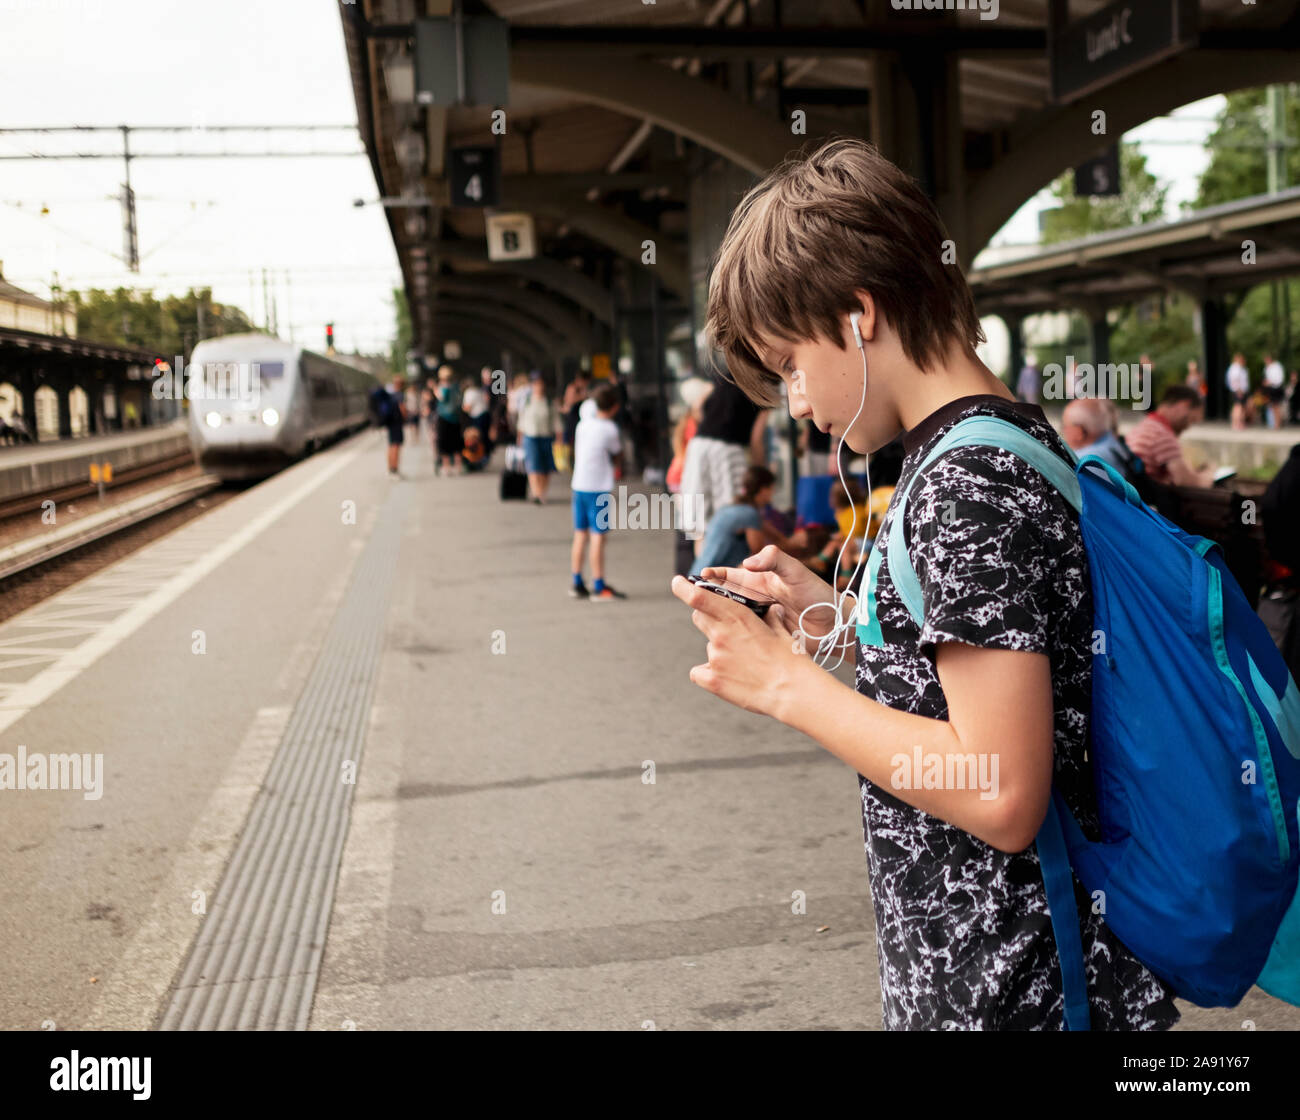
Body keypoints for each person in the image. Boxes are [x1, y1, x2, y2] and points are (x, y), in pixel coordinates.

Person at [671, 137, 1179, 1031]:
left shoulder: (965, 484)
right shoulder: (1002, 441)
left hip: (1016, 993)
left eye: (790, 364)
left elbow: (1002, 790)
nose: (794, 402)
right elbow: (984, 690)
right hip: (1012, 977)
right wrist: (835, 623)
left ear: (858, 314)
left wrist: (788, 686)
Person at [679, 375, 769, 556]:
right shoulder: (764, 386)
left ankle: (702, 576)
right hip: (729, 449)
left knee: (700, 523)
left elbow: (699, 405)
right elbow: (756, 438)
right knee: (732, 515)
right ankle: (727, 576)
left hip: (699, 445)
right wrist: (759, 470)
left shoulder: (727, 376)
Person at [688, 466, 801, 578]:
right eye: (772, 488)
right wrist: (805, 561)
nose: (773, 492)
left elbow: (772, 534)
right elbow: (759, 556)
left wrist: (790, 543)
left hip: (698, 573)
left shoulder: (731, 508)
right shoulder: (750, 514)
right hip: (712, 579)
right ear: (763, 490)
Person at [569, 383, 626, 601]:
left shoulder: (583, 425)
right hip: (598, 489)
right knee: (598, 538)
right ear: (614, 407)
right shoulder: (609, 429)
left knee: (580, 535)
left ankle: (576, 582)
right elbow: (616, 453)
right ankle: (599, 585)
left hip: (579, 485)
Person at [1125, 384, 1217, 487]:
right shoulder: (1162, 434)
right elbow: (1185, 481)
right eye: (1191, 420)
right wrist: (1209, 476)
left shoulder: (1145, 426)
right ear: (1184, 405)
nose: (1187, 427)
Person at [1061, 398, 1139, 481]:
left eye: (1065, 426)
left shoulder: (1082, 462)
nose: (1063, 431)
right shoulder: (1112, 443)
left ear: (1078, 431)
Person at [517, 371, 559, 504]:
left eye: (540, 384)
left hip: (546, 437)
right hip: (530, 437)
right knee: (534, 466)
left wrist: (559, 438)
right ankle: (537, 493)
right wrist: (520, 437)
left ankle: (543, 491)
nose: (539, 386)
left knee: (546, 468)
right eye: (536, 384)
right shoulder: (527, 402)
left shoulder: (549, 403)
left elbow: (556, 422)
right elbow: (521, 420)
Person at [434, 366, 463, 476]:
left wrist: (435, 390)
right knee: (456, 442)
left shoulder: (444, 387)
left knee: (444, 443)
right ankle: (458, 466)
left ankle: (447, 467)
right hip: (455, 417)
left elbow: (441, 397)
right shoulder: (456, 386)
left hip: (444, 417)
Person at [383, 375, 408, 476]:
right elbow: (402, 409)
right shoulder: (400, 395)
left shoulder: (390, 394)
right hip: (397, 423)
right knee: (396, 446)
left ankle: (390, 468)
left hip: (390, 423)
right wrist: (405, 418)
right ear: (402, 385)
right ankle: (395, 469)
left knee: (391, 445)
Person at [1226, 352, 1250, 430]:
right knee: (1238, 407)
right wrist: (1239, 390)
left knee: (1241, 407)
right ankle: (1236, 424)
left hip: (1241, 390)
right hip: (1238, 390)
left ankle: (1240, 423)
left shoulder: (1241, 368)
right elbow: (1235, 380)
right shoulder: (1235, 368)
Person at [1263, 353, 1286, 429]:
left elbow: (1278, 379)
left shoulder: (1276, 366)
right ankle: (1276, 423)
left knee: (1276, 406)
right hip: (1271, 389)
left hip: (1276, 388)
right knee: (1274, 407)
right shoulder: (1267, 368)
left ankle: (1278, 424)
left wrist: (1270, 382)